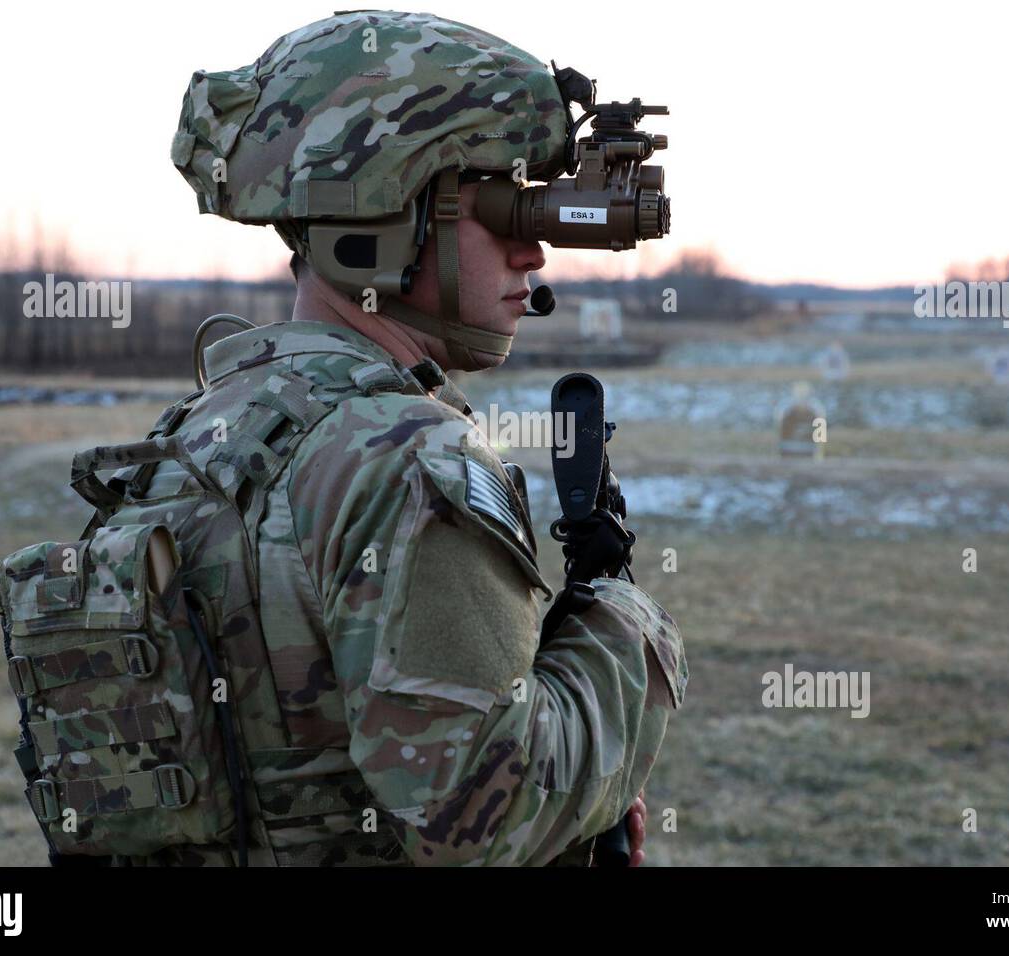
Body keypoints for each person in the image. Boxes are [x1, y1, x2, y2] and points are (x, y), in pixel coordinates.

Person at [129, 11, 686, 866]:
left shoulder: (204, 431)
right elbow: (482, 816)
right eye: (505, 206)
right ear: (386, 218)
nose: (534, 251)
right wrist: (621, 618)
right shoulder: (410, 462)